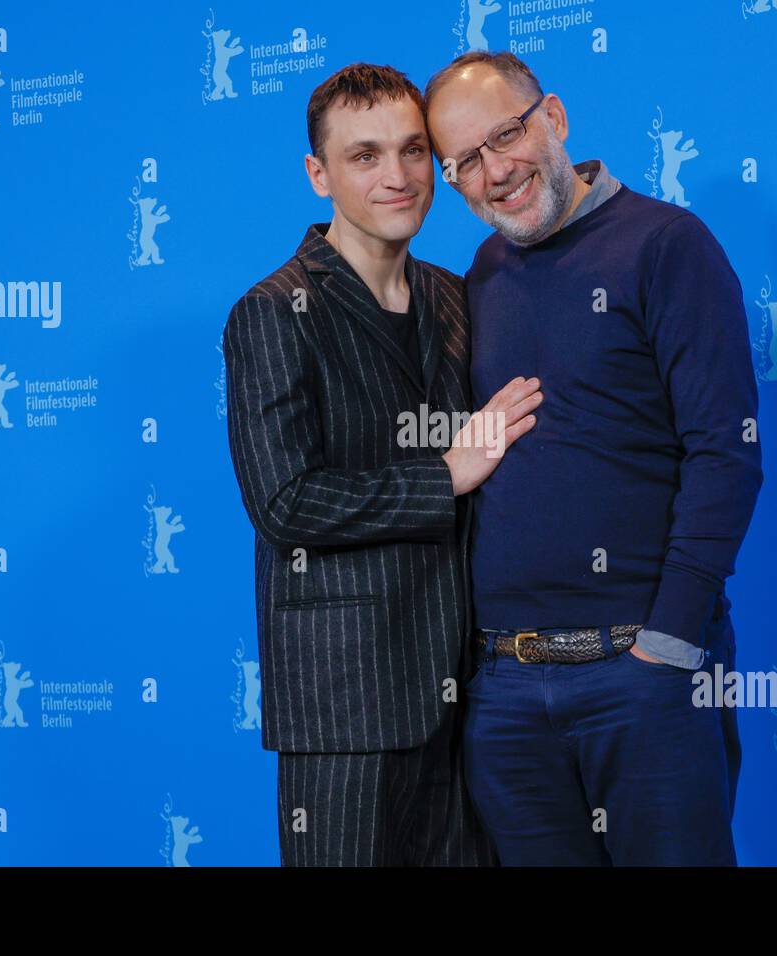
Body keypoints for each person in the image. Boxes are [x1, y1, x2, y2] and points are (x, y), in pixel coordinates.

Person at [425, 51, 764, 865]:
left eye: (505, 136)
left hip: (642, 678)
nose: (494, 172)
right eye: (463, 162)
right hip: (505, 691)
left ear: (554, 117)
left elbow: (726, 452)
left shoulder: (667, 245)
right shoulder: (485, 272)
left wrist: (666, 649)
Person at [222, 62, 541, 866]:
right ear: (318, 174)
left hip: (468, 693)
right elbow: (285, 503)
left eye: (412, 150)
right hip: (346, 711)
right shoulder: (274, 311)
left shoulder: (456, 295)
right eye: (364, 156)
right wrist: (445, 474)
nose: (397, 176)